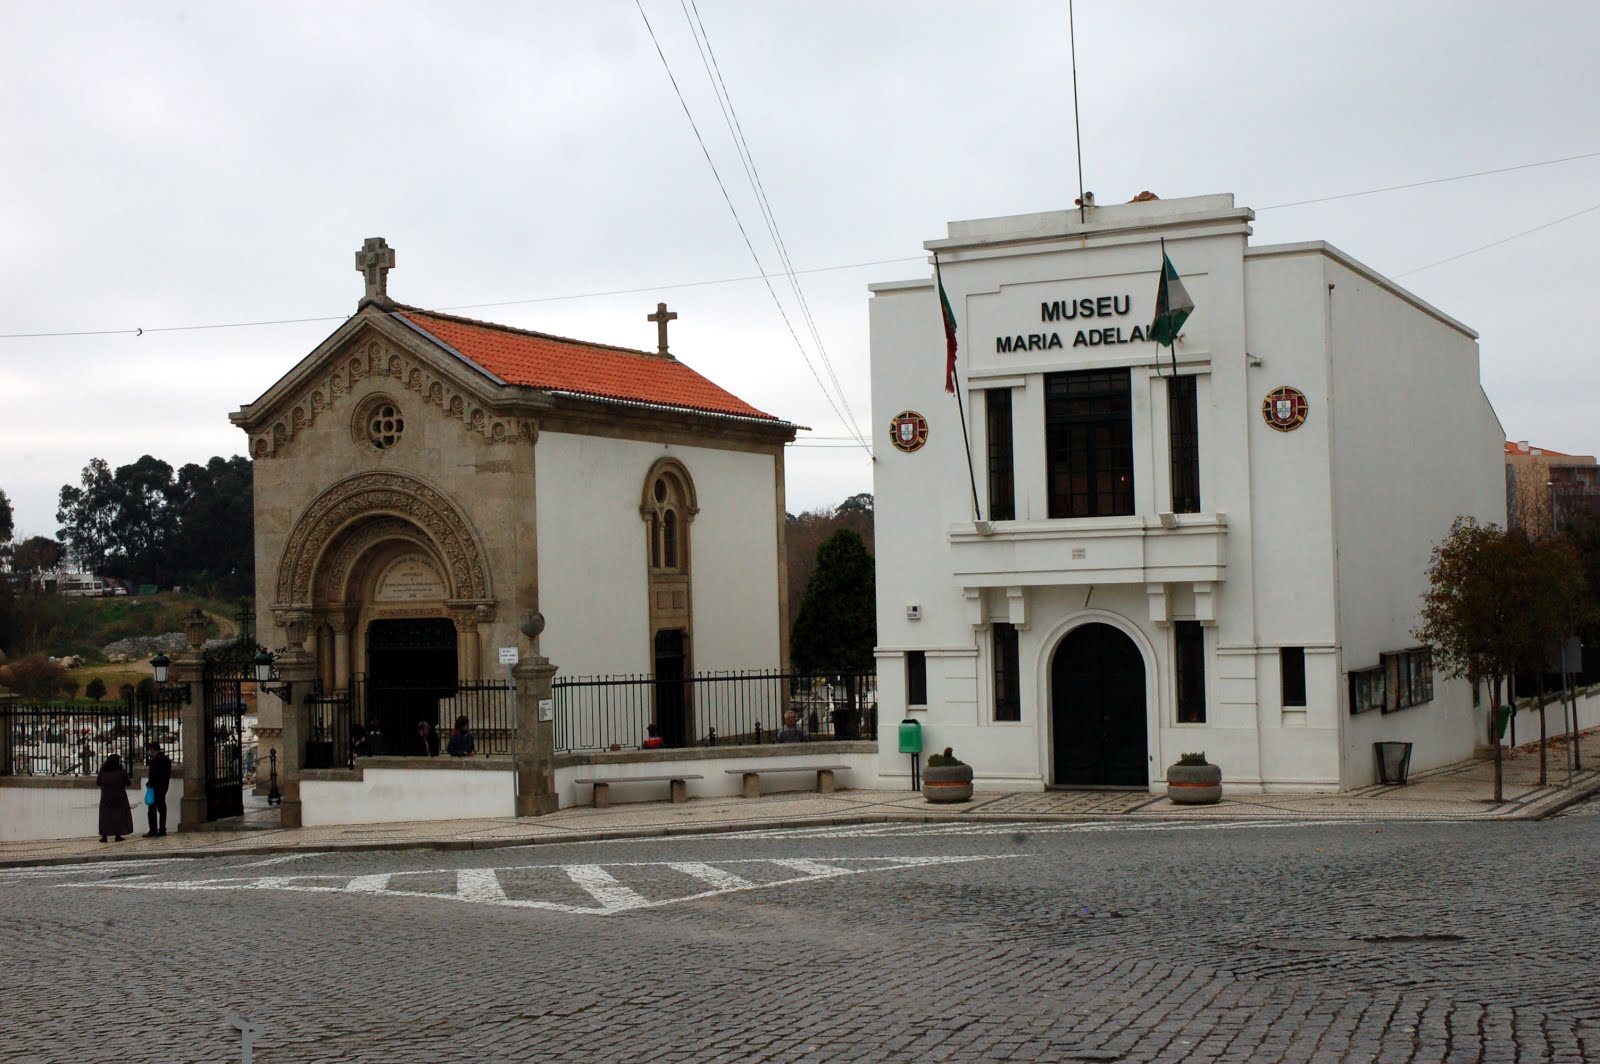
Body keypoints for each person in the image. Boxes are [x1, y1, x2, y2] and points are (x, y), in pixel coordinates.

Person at [96, 754, 133, 843]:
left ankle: (104, 836)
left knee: (105, 816)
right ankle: (118, 835)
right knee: (118, 816)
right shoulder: (121, 771)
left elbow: (98, 782)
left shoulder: (103, 771)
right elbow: (128, 783)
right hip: (119, 797)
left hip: (106, 797)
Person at [143, 742, 172, 838]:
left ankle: (153, 830)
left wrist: (149, 784)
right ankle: (162, 829)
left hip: (155, 788)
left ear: (152, 749)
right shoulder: (166, 759)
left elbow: (154, 775)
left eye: (149, 749)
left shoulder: (155, 760)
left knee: (152, 809)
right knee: (162, 809)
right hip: (163, 787)